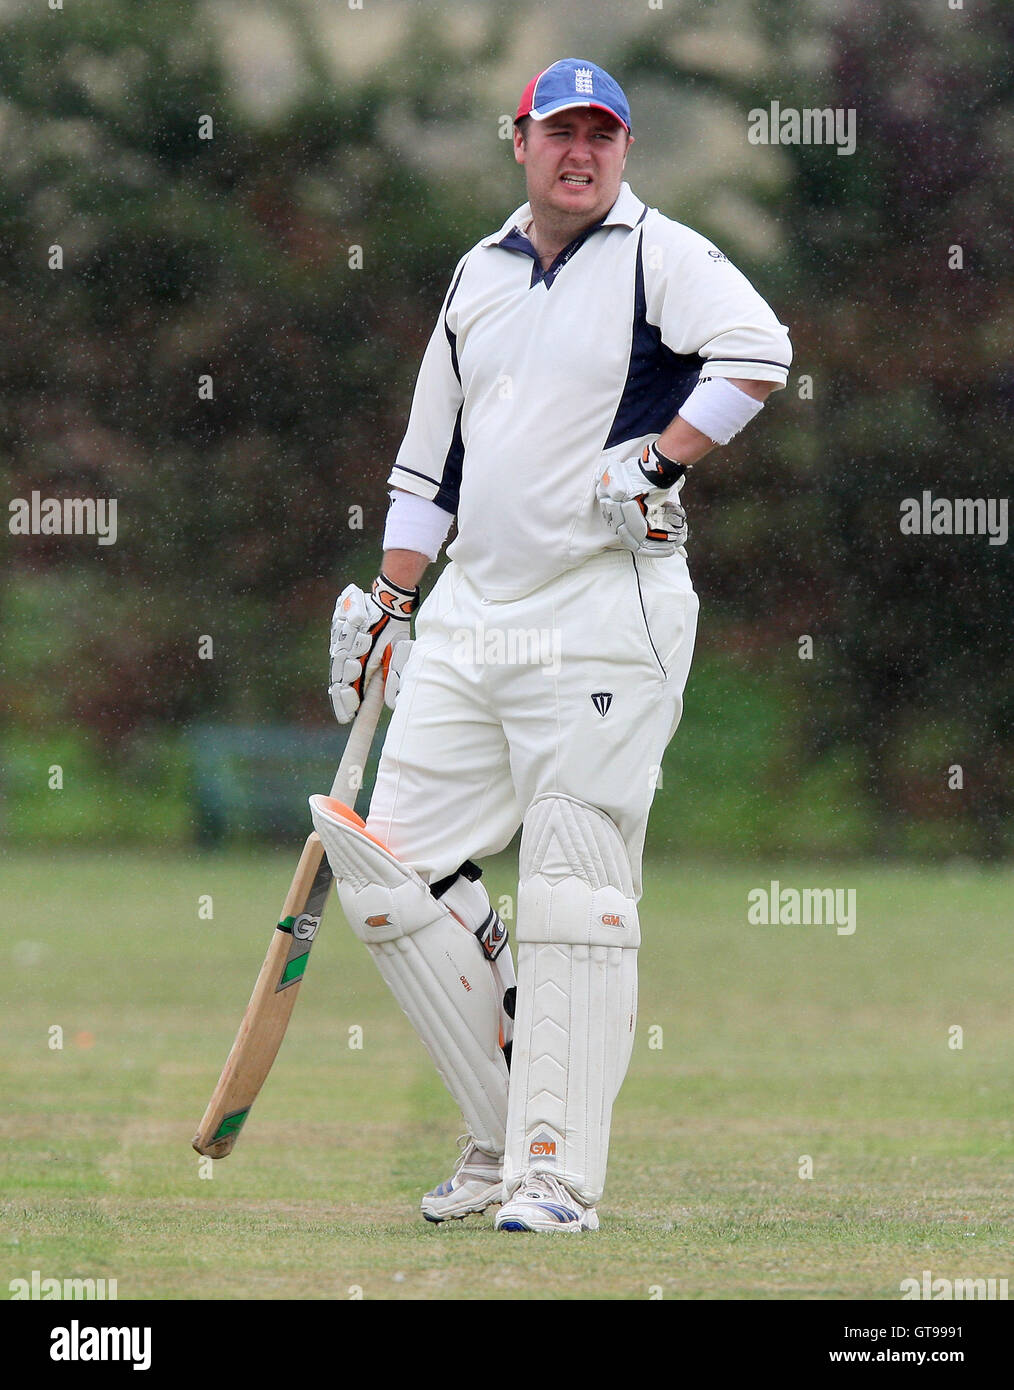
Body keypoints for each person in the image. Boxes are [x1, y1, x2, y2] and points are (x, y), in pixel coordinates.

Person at [310, 58, 791, 1233]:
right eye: (559, 133)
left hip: (606, 610)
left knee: (576, 884)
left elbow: (759, 352)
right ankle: (495, 1130)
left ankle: (550, 1171)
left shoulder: (655, 253)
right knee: (389, 879)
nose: (581, 152)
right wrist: (391, 598)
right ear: (518, 140)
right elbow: (430, 465)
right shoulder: (478, 273)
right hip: (476, 612)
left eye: (603, 136)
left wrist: (659, 459)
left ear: (624, 150)